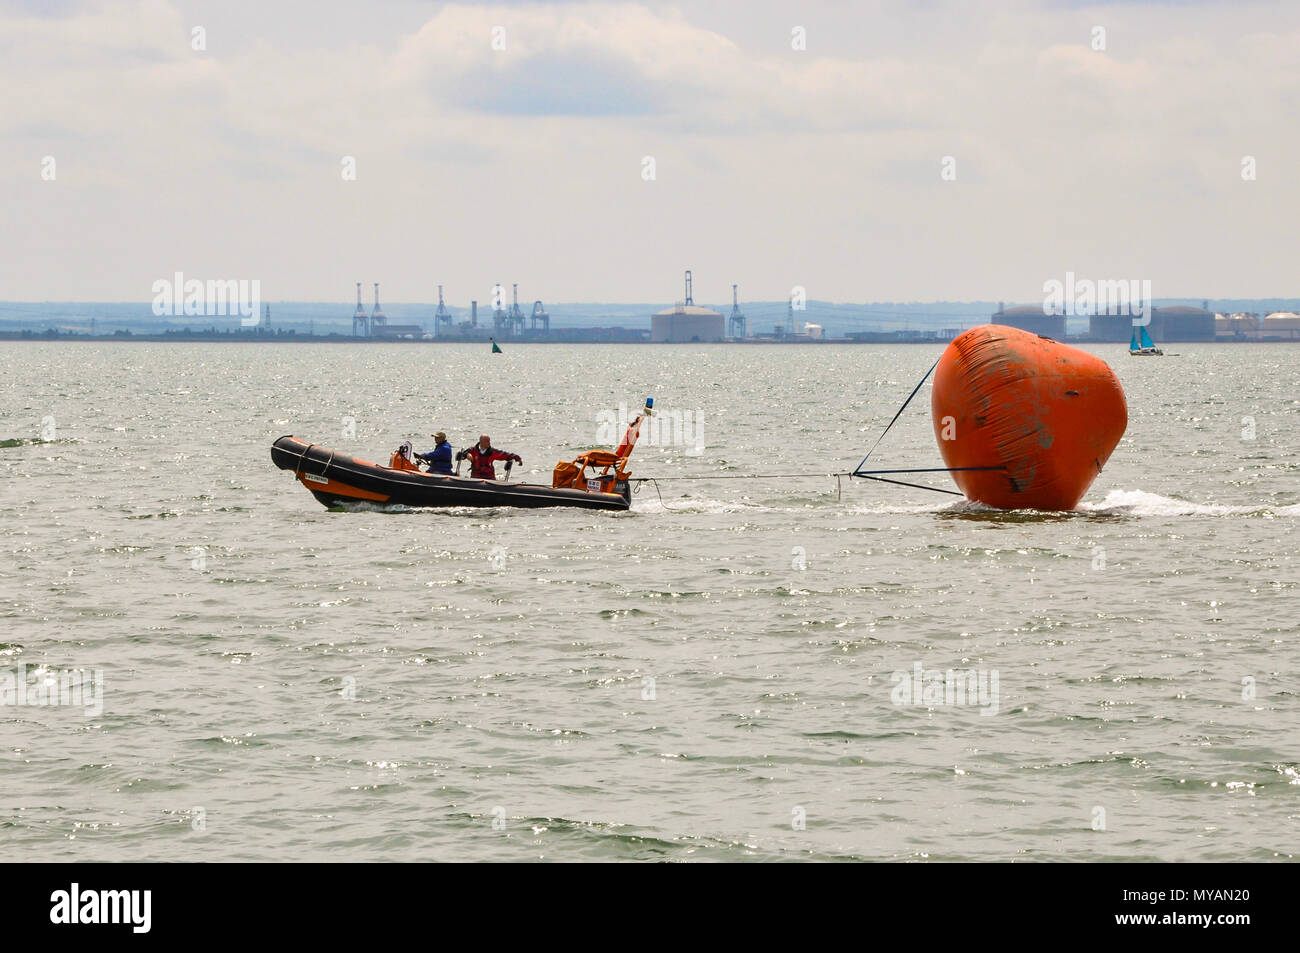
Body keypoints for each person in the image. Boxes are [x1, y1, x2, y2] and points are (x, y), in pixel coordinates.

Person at [456, 434, 521, 480]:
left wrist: (517, 458)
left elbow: (505, 455)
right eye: (487, 441)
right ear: (481, 442)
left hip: (489, 478)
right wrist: (466, 455)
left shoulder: (492, 452)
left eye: (489, 441)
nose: (489, 443)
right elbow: (462, 455)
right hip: (476, 477)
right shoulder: (473, 450)